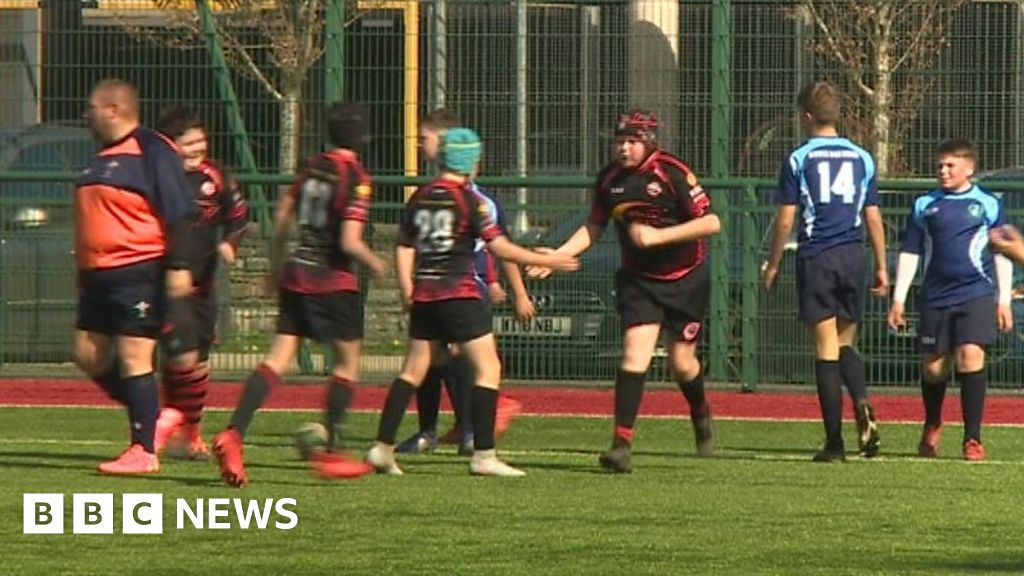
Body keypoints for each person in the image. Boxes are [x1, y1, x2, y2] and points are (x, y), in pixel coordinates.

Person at [365, 128, 578, 477]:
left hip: (425, 294)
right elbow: (498, 246)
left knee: (413, 370)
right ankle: (483, 454)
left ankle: (382, 448)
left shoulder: (420, 196)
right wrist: (548, 260)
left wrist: (407, 287)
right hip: (460, 294)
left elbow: (404, 246)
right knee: (488, 368)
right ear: (471, 162)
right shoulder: (471, 201)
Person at [528, 110, 720, 473]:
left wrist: (658, 236)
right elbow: (593, 226)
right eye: (619, 141)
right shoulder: (610, 179)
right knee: (634, 356)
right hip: (639, 281)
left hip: (685, 279)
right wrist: (558, 255)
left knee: (682, 365)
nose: (624, 148)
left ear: (649, 142)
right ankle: (621, 444)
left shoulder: (672, 171)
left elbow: (711, 222)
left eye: (632, 141)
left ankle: (700, 412)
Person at [213, 102, 388, 486]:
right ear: (363, 137)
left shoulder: (312, 168)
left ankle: (234, 433)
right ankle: (331, 453)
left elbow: (280, 221)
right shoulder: (356, 176)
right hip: (333, 280)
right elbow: (350, 240)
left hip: (296, 271)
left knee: (278, 359)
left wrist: (276, 268)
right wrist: (375, 263)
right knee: (346, 365)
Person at [72, 78, 194, 475]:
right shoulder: (100, 157)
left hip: (138, 271)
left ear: (112, 109)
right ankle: (155, 418)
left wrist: (178, 265)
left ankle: (143, 450)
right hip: (97, 277)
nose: (86, 116)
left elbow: (178, 209)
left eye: (90, 108)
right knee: (87, 355)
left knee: (134, 356)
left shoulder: (152, 148)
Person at [761, 81, 887, 462]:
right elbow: (873, 217)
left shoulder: (799, 159)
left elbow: (786, 219)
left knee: (825, 350)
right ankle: (862, 401)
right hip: (853, 255)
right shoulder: (862, 157)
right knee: (847, 341)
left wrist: (773, 262)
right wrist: (882, 265)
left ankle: (834, 442)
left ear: (806, 116)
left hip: (818, 256)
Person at [396, 109, 534, 456]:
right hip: (436, 285)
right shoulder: (426, 195)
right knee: (433, 356)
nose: (419, 145)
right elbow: (408, 244)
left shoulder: (476, 199)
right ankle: (435, 429)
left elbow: (500, 247)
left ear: (443, 144)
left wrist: (516, 291)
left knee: (458, 355)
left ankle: (472, 428)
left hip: (466, 287)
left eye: (424, 139)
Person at [888, 139, 1013, 462]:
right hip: (936, 297)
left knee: (971, 357)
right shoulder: (924, 205)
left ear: (969, 168)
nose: (943, 171)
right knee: (933, 368)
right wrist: (898, 298)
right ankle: (932, 422)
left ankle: (973, 438)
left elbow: (1002, 253)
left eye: (950, 165)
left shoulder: (988, 204)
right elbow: (911, 252)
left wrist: (1003, 300)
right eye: (939, 166)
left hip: (976, 293)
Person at [152, 106, 249, 459]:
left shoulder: (217, 176)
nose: (196, 148)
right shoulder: (156, 178)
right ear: (170, 145)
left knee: (200, 360)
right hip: (166, 284)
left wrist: (229, 243)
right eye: (187, 142)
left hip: (205, 286)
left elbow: (239, 217)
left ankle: (189, 437)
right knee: (180, 358)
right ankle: (163, 424)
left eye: (200, 141)